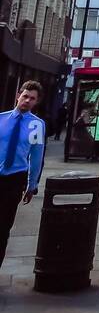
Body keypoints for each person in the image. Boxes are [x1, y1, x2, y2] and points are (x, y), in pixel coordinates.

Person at [0, 81, 46, 269]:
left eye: (32, 98)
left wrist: (32, 184)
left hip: (14, 179)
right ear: (18, 95)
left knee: (2, 229)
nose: (27, 100)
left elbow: (36, 157)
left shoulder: (36, 125)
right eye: (25, 96)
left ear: (36, 102)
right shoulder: (1, 119)